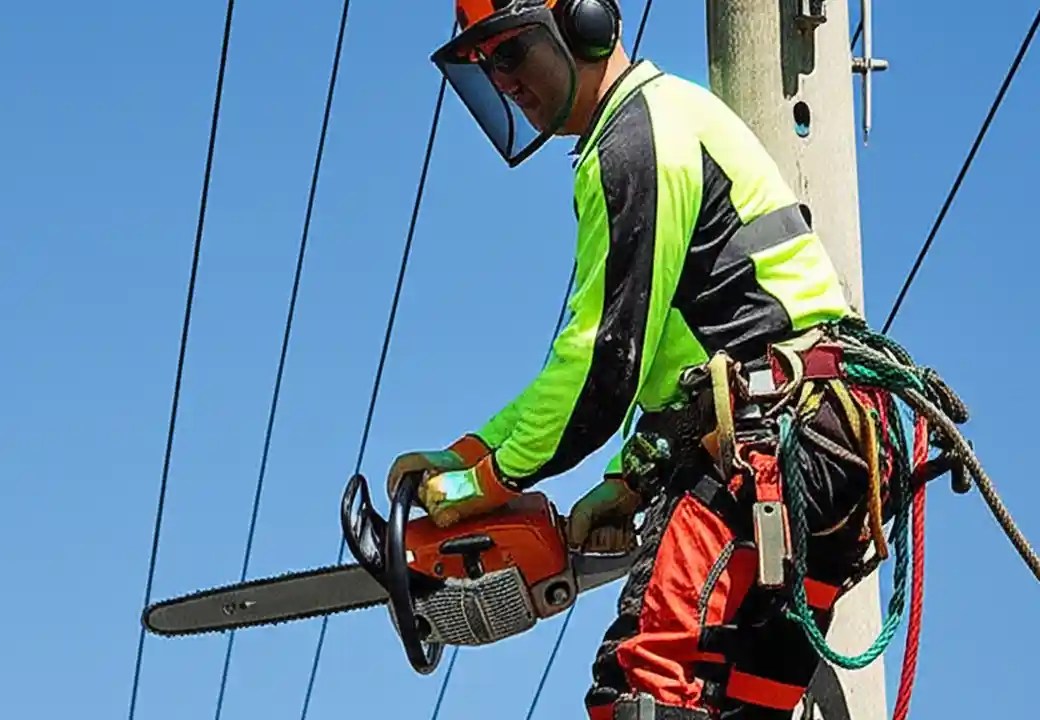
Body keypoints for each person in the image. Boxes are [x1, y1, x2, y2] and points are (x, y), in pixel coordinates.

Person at [386, 1, 904, 718]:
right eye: (486, 66)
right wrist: (625, 483)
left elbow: (600, 367)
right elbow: (678, 356)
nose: (505, 82)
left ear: (584, 21)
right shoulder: (662, 124)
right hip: (825, 440)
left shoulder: (636, 141)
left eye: (508, 53)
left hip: (777, 439)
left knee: (643, 687)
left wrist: (488, 477)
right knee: (736, 701)